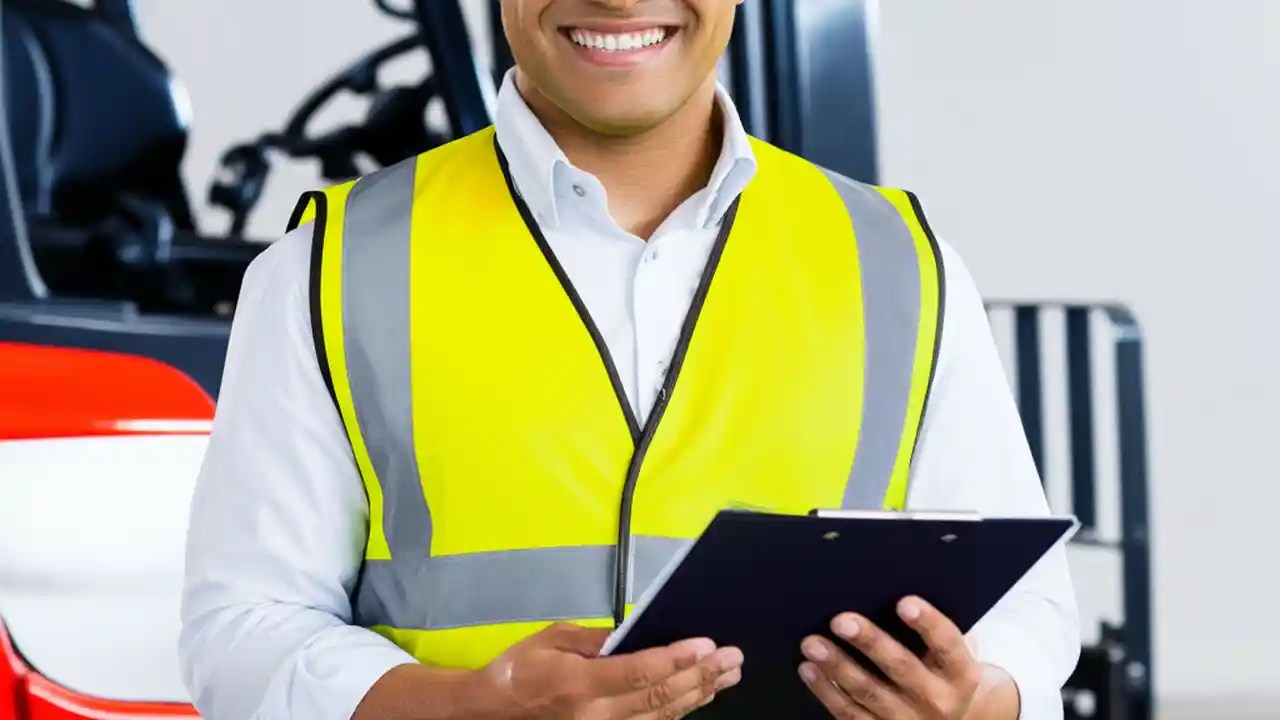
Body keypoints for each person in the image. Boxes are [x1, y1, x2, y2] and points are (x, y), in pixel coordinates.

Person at [179, 0, 1080, 718]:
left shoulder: (899, 262)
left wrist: (980, 700)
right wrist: (464, 709)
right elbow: (241, 632)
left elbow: (1024, 614)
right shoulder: (329, 268)